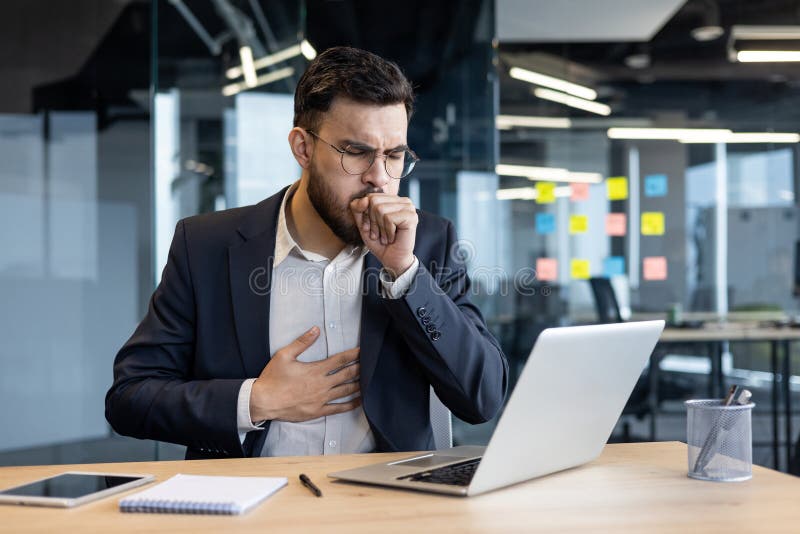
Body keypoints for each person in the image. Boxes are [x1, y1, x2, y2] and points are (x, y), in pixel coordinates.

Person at [105, 46, 508, 459]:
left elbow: (482, 399)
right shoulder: (206, 246)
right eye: (357, 153)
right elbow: (130, 398)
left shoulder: (428, 242)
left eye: (394, 156)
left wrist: (404, 273)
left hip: (385, 507)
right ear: (303, 148)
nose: (379, 179)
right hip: (251, 513)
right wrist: (257, 400)